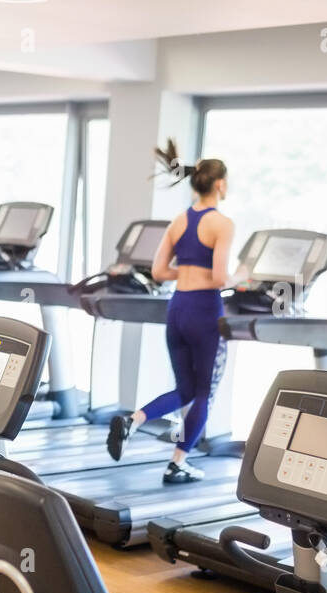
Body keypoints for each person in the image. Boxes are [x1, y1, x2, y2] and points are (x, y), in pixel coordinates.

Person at [106, 143, 245, 484]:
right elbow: (218, 277)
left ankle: (135, 420)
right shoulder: (222, 224)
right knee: (204, 391)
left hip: (177, 308)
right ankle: (178, 462)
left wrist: (184, 273)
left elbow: (158, 272)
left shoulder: (179, 221)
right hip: (205, 310)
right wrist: (245, 276)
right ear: (220, 185)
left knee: (184, 388)